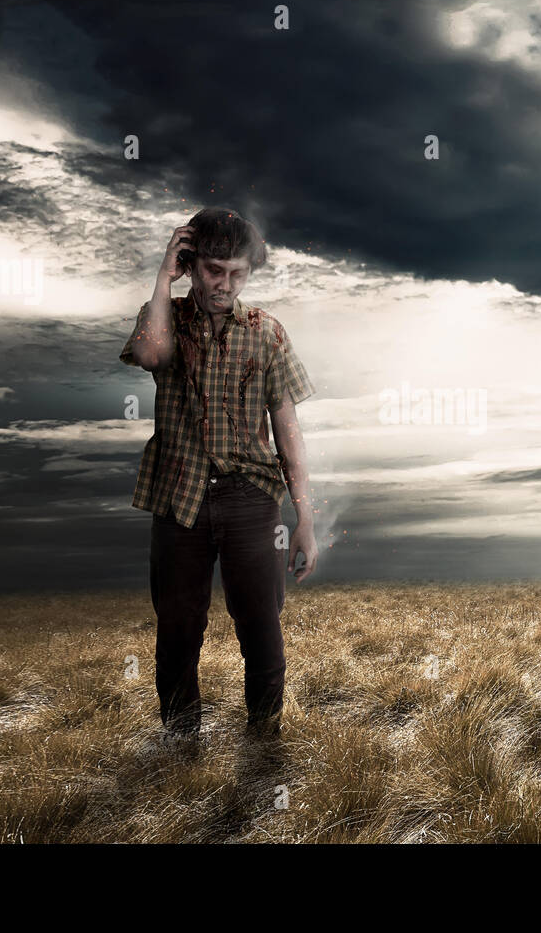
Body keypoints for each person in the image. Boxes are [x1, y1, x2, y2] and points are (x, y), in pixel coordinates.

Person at [119, 207, 317, 739]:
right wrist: (164, 278)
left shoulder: (268, 333)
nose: (225, 285)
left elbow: (287, 427)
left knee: (261, 626)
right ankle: (181, 741)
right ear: (191, 262)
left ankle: (264, 739)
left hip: (251, 497)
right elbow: (149, 352)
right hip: (178, 495)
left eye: (237, 274)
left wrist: (304, 515)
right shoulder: (164, 315)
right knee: (178, 628)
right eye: (213, 271)